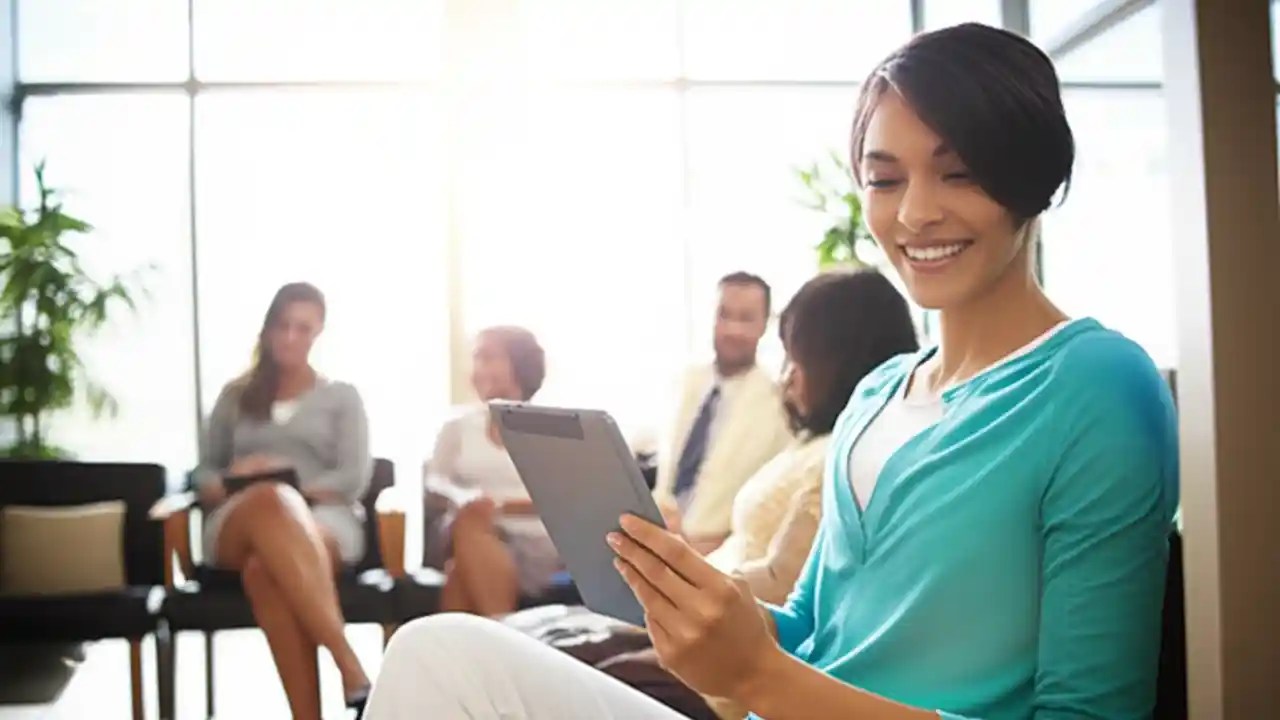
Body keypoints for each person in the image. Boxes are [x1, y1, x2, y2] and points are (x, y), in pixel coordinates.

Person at [364, 23, 1179, 720]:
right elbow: (812, 632)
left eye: (957, 171)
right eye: (884, 179)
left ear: (1033, 173)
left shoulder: (1099, 385)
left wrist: (756, 675)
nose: (915, 212)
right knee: (438, 655)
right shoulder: (877, 395)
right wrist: (701, 609)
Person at [501, 269, 920, 720]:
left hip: (716, 641)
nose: (787, 377)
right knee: (536, 646)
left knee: (552, 675)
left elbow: (787, 591)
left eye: (798, 361)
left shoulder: (845, 457)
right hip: (694, 601)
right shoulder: (806, 442)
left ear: (838, 362)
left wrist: (680, 572)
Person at [196, 282, 373, 719]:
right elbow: (202, 473)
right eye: (283, 325)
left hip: (324, 517)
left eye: (303, 328)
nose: (291, 337)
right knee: (269, 500)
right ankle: (348, 663)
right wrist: (238, 477)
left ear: (318, 333)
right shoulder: (234, 396)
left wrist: (294, 485)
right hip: (239, 519)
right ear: (268, 328)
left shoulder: (341, 396)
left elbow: (353, 477)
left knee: (265, 569)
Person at [653, 271, 793, 554]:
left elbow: (778, 506)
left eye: (746, 318)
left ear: (765, 324)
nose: (732, 330)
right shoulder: (685, 383)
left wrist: (708, 546)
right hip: (655, 541)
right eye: (724, 315)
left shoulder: (780, 405)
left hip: (720, 557)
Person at [423, 325, 559, 616]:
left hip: (534, 541)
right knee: (470, 522)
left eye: (488, 358)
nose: (478, 369)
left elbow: (562, 498)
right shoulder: (458, 427)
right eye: (475, 358)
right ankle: (501, 627)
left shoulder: (550, 428)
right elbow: (435, 481)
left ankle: (475, 640)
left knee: (460, 573)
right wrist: (464, 497)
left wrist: (499, 506)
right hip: (468, 526)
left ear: (520, 365)